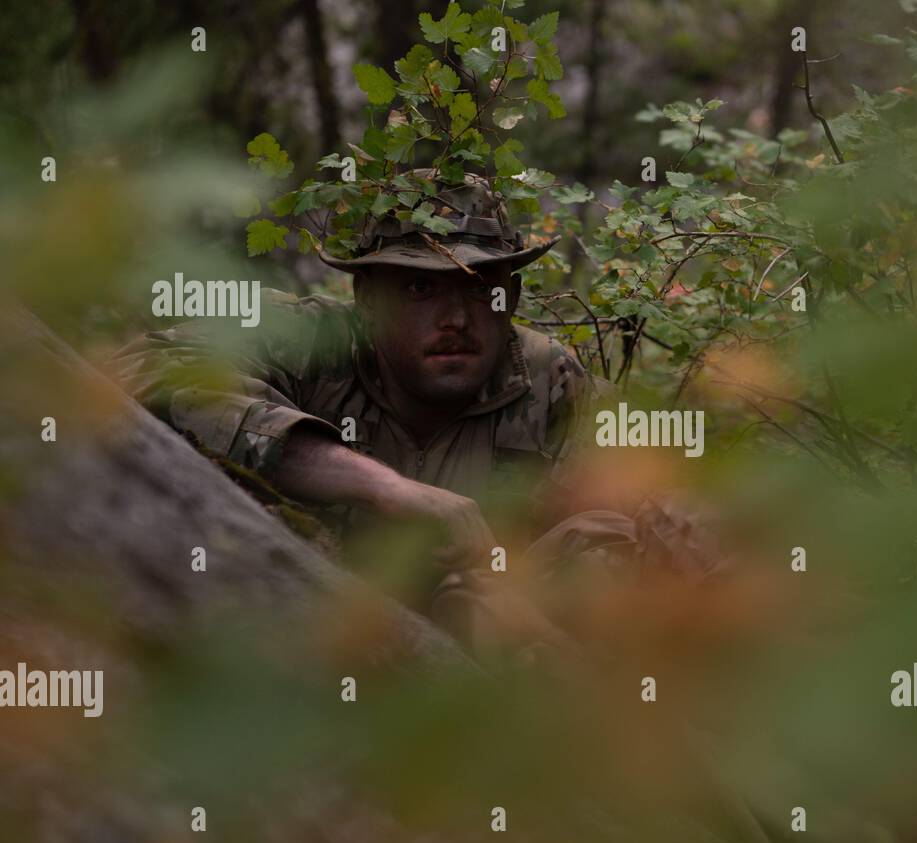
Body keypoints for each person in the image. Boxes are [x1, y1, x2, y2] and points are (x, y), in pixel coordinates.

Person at [113, 172, 595, 571]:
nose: (456, 320)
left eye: (478, 289)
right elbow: (143, 371)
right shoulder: (311, 341)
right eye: (421, 288)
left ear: (509, 298)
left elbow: (616, 518)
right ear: (366, 299)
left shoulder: (548, 380)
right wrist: (375, 485)